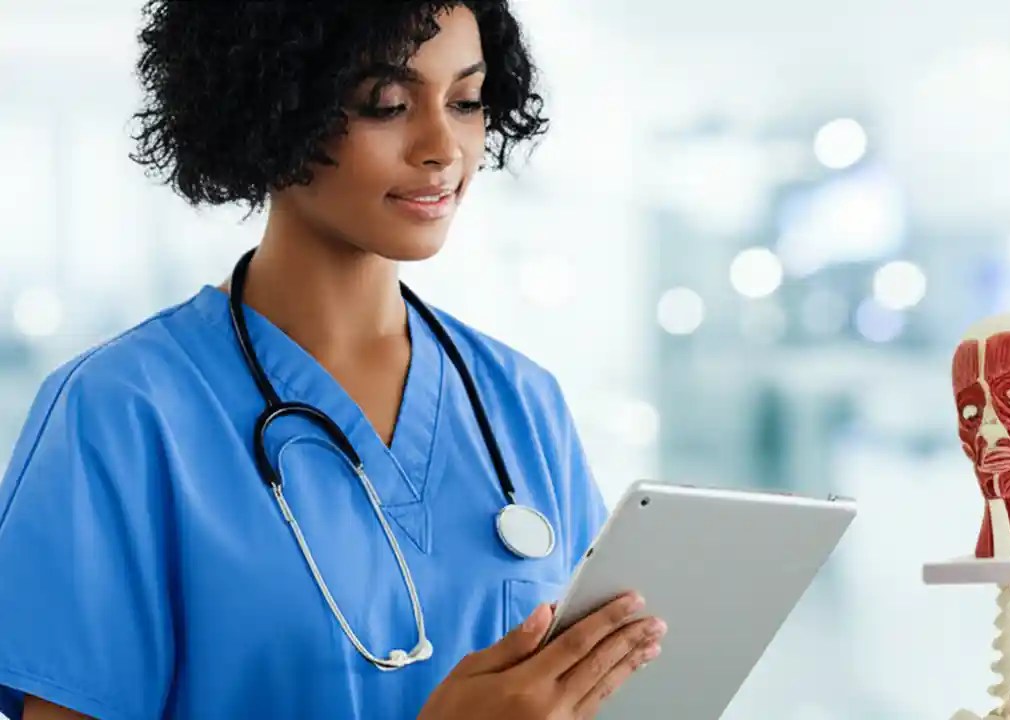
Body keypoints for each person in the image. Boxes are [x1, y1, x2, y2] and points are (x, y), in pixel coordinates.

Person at [0, 2, 664, 718]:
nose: (444, 146)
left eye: (466, 101)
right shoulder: (121, 410)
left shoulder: (522, 401)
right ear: (272, 108)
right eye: (387, 105)